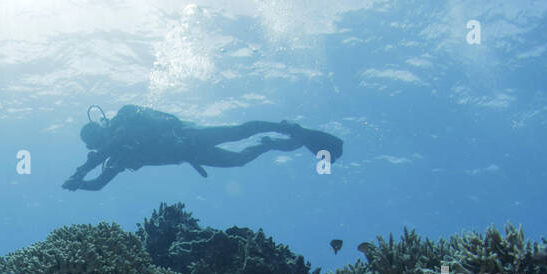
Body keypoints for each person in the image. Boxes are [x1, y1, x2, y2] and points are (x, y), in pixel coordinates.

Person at [62, 104, 344, 191]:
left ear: (102, 130)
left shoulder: (122, 127)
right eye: (94, 146)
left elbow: (114, 144)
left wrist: (79, 171)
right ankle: (268, 144)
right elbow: (99, 184)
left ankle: (281, 126)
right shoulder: (118, 157)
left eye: (97, 141)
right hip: (191, 154)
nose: (98, 148)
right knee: (239, 161)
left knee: (237, 131)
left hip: (189, 137)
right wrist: (80, 184)